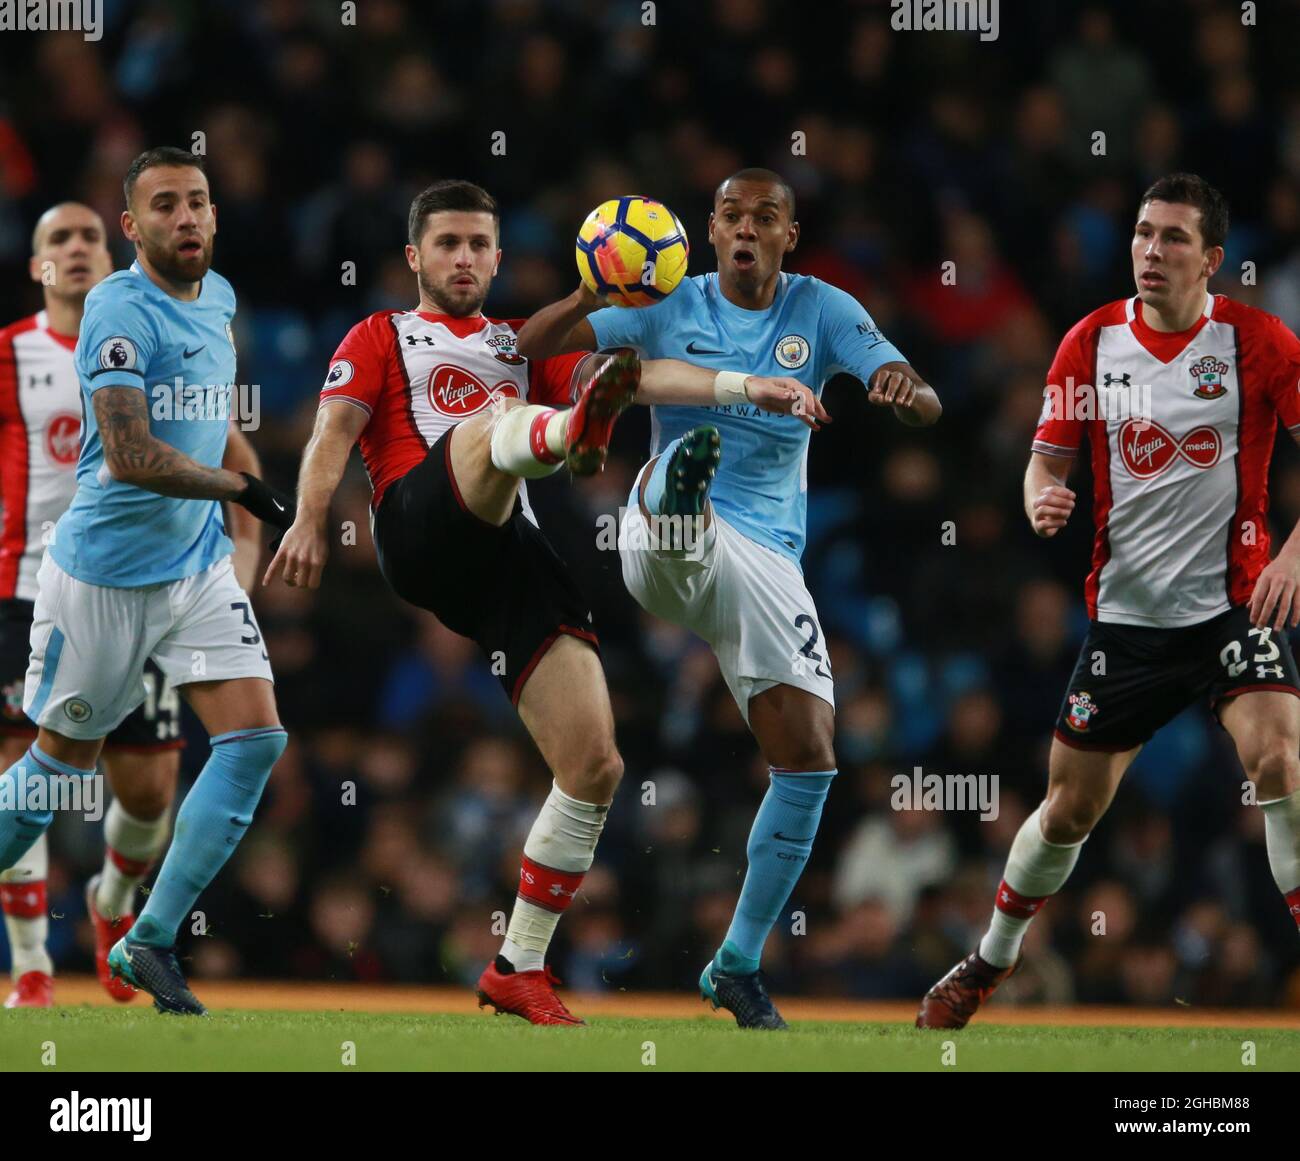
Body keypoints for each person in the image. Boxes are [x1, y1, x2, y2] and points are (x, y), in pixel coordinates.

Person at [266, 178, 823, 1025]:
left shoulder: (520, 341)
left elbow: (647, 376)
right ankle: (571, 434)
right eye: (446, 243)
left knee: (595, 764)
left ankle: (517, 965)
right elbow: (331, 435)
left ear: (497, 256)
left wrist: (749, 386)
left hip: (507, 558)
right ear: (416, 257)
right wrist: (309, 520)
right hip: (420, 523)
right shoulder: (380, 334)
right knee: (494, 424)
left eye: (478, 245)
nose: (463, 258)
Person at [516, 167, 941, 1028]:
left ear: (790, 232)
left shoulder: (822, 308)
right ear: (709, 230)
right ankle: (679, 492)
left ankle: (737, 963)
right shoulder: (666, 299)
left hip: (768, 557)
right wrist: (585, 292)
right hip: (661, 539)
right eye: (733, 214)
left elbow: (920, 392)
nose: (748, 227)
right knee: (684, 482)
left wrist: (905, 393)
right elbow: (527, 347)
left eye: (767, 216)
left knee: (812, 755)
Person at [917, 173, 1300, 1029]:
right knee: (1068, 810)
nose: (1151, 251)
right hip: (1126, 624)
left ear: (1213, 260)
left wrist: (1295, 554)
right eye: (1141, 233)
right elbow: (1044, 462)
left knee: (1279, 763)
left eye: (1172, 238)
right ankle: (991, 960)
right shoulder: (1088, 344)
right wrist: (1039, 496)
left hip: (1234, 610)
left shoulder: (1260, 341)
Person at [0, 147, 295, 1016]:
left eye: (198, 201)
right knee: (56, 772)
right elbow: (128, 455)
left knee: (255, 741)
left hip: (195, 567)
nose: (188, 217)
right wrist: (240, 491)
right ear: (135, 227)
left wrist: (234, 517)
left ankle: (149, 938)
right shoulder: (116, 309)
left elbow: (208, 420)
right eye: (165, 205)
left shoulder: (224, 297)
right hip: (100, 578)